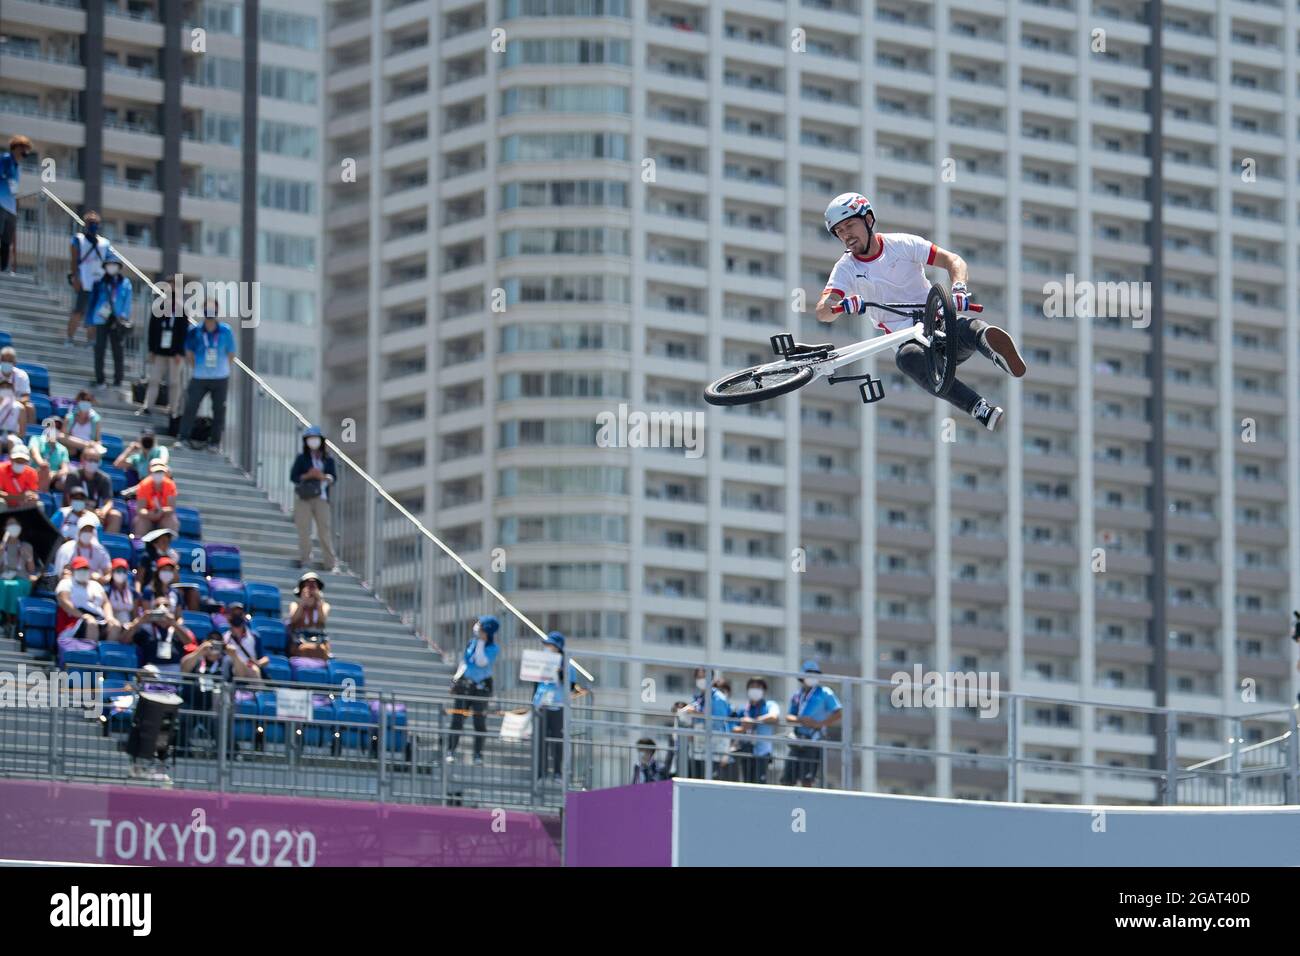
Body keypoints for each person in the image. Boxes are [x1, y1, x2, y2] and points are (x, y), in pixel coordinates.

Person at [816, 192, 1028, 431]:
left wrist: (958, 289)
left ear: (868, 219)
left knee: (972, 328)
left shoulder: (902, 245)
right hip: (909, 341)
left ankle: (995, 351)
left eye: (849, 225)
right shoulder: (845, 268)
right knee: (907, 358)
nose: (846, 235)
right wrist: (839, 305)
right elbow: (823, 310)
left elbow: (954, 261)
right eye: (839, 231)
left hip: (937, 324)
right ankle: (979, 408)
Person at [177, 304, 237, 451]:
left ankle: (215, 442)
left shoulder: (225, 330)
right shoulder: (195, 331)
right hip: (200, 376)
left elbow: (231, 353)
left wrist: (223, 369)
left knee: (219, 409)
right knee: (191, 406)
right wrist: (197, 367)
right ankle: (183, 437)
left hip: (220, 377)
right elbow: (189, 352)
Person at [446, 614, 500, 766]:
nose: (477, 627)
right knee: (457, 719)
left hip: (481, 688)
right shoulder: (472, 642)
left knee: (479, 722)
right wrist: (455, 679)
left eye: (480, 625)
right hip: (465, 686)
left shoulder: (493, 648)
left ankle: (478, 754)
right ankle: (451, 750)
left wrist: (482, 642)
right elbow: (465, 662)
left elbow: (481, 661)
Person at [532, 630, 585, 780]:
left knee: (557, 741)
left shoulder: (568, 667)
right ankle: (540, 772)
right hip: (541, 707)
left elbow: (571, 687)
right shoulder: (541, 664)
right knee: (540, 741)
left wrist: (560, 674)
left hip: (558, 707)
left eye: (551, 645)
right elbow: (536, 685)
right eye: (547, 644)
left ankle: (557, 772)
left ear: (558, 647)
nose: (548, 647)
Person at [781, 660, 843, 788]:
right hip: (797, 740)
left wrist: (820, 724)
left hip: (814, 740)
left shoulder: (825, 692)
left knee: (807, 779)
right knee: (787, 778)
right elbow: (788, 716)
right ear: (802, 676)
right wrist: (802, 720)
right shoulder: (797, 695)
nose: (812, 676)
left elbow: (838, 712)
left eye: (815, 673)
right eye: (809, 673)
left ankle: (806, 805)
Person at [138, 273, 188, 421]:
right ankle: (148, 405)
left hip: (175, 353)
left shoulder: (181, 310)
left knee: (174, 382)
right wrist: (151, 350)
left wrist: (180, 351)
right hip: (160, 351)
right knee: (154, 379)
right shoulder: (158, 308)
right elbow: (152, 330)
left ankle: (173, 409)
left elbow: (183, 332)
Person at [289, 425, 338, 572]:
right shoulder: (302, 458)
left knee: (324, 530)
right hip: (304, 497)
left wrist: (323, 477)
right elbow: (294, 477)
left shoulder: (328, 459)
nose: (313, 442)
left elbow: (333, 477)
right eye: (310, 439)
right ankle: (306, 560)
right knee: (304, 530)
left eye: (315, 439)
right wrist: (308, 475)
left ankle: (330, 563)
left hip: (321, 498)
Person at [55, 555, 122, 654]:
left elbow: (106, 602)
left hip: (99, 617)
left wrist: (109, 617)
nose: (83, 571)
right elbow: (64, 602)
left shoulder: (96, 585)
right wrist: (82, 615)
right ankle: (91, 656)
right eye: (80, 569)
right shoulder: (66, 583)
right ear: (73, 570)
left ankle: (107, 658)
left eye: (85, 569)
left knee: (115, 625)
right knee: (91, 623)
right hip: (75, 619)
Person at [85, 250, 132, 388]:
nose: (111, 267)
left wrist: (123, 316)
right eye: (109, 264)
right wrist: (90, 321)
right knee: (99, 349)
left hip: (117, 320)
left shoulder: (125, 283)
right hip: (101, 318)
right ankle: (100, 379)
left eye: (114, 264)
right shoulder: (99, 282)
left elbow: (127, 301)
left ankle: (118, 379)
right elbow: (92, 302)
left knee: (118, 350)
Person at [677, 667, 733, 779]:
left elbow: (718, 723)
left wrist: (698, 714)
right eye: (698, 677)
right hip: (699, 750)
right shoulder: (698, 699)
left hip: (715, 752)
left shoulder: (719, 698)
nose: (701, 679)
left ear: (711, 679)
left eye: (704, 677)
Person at [67, 211, 113, 347]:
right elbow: (74, 259)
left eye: (96, 223)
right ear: (85, 224)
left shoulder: (104, 243)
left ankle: (91, 341)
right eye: (91, 222)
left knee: (94, 314)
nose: (93, 225)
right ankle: (69, 338)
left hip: (98, 283)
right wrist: (75, 277)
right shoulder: (78, 239)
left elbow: (110, 261)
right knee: (78, 311)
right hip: (84, 280)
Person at [733, 677, 781, 784]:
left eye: (758, 687)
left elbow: (774, 717)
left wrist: (754, 721)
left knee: (760, 784)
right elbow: (733, 728)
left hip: (762, 753)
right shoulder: (743, 709)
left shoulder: (770, 705)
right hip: (746, 751)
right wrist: (743, 728)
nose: (755, 689)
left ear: (764, 690)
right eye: (752, 687)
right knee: (746, 783)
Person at [128, 596, 192, 672]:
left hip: (174, 667)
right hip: (152, 667)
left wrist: (173, 623)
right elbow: (125, 640)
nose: (162, 608)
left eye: (166, 605)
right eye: (157, 605)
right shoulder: (145, 628)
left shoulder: (177, 628)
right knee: (147, 671)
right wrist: (140, 621)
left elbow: (188, 641)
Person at [67, 446, 122, 533]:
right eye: (90, 460)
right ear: (83, 459)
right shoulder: (73, 476)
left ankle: (104, 542)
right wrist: (91, 512)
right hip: (76, 509)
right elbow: (69, 501)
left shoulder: (104, 478)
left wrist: (103, 512)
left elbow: (109, 502)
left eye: (96, 461)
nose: (93, 463)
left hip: (96, 512)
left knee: (115, 515)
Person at [0, 135, 33, 275]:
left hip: (11, 207)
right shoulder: (6, 159)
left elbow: (14, 188)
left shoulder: (18, 166)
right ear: (15, 148)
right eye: (23, 148)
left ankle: (4, 268)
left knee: (7, 240)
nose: (25, 152)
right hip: (1, 203)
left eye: (27, 149)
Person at [0, 515, 39, 625]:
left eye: (15, 524)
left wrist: (29, 558)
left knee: (17, 586)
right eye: (10, 524)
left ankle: (13, 619)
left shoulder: (26, 546)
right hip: (3, 576)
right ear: (5, 528)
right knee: (3, 585)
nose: (13, 527)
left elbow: (31, 570)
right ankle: (4, 617)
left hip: (21, 577)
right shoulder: (1, 547)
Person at [53, 514, 112, 583]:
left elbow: (108, 572)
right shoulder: (67, 548)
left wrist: (102, 579)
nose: (87, 533)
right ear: (78, 531)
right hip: (72, 585)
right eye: (84, 530)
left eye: (90, 530)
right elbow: (63, 574)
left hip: (93, 586)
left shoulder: (100, 550)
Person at [130, 460, 179, 537]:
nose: (158, 474)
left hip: (163, 516)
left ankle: (169, 545)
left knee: (171, 520)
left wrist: (161, 511)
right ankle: (140, 546)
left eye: (160, 472)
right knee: (140, 521)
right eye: (156, 472)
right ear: (151, 472)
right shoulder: (143, 485)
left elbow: (171, 508)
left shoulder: (170, 485)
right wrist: (149, 513)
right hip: (148, 516)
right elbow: (140, 509)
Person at [221, 600, 267, 678]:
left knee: (254, 670)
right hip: (232, 673)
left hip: (251, 669)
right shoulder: (224, 637)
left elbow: (265, 658)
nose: (237, 616)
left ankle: (257, 690)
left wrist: (258, 663)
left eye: (240, 614)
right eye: (234, 614)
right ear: (228, 616)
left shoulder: (254, 636)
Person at [287, 570, 329, 652]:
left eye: (314, 585)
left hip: (318, 643)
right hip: (299, 642)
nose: (311, 589)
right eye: (307, 585)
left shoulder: (324, 606)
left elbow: (322, 620)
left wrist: (319, 601)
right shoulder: (295, 605)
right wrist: (303, 602)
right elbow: (293, 620)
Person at [29, 417, 72, 493]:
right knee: (45, 470)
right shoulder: (36, 439)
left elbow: (65, 469)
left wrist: (54, 474)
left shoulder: (63, 449)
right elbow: (35, 454)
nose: (54, 429)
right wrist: (43, 464)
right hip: (35, 473)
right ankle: (40, 495)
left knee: (67, 481)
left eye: (57, 427)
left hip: (53, 478)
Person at [61, 391, 105, 457]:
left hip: (88, 451)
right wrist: (86, 444)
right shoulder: (69, 417)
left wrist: (97, 446)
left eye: (88, 400)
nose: (86, 402)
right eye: (83, 399)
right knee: (61, 437)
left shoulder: (96, 420)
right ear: (78, 401)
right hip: (72, 447)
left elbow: (98, 440)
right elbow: (63, 437)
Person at [137, 527, 180, 592]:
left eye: (168, 542)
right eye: (163, 542)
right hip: (149, 591)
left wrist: (174, 563)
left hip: (166, 591)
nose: (166, 544)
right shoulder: (146, 557)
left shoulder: (169, 557)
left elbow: (175, 581)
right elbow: (139, 579)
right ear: (155, 543)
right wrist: (138, 593)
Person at [0, 443, 40, 508]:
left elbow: (33, 492)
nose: (20, 463)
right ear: (11, 459)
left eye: (23, 461)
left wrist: (33, 497)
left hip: (22, 505)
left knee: (38, 504)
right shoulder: (1, 469)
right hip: (5, 504)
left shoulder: (32, 473)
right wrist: (18, 497)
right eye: (17, 460)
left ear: (27, 461)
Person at [104, 557, 139, 624]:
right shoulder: (106, 591)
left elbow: (134, 615)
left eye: (124, 571)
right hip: (112, 624)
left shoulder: (132, 592)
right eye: (118, 570)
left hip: (129, 626)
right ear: (112, 572)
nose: (121, 573)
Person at [0, 378, 23, 444]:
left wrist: (9, 437)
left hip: (13, 437)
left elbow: (22, 433)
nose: (5, 390)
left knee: (10, 441)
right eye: (3, 387)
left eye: (8, 387)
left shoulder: (20, 407)